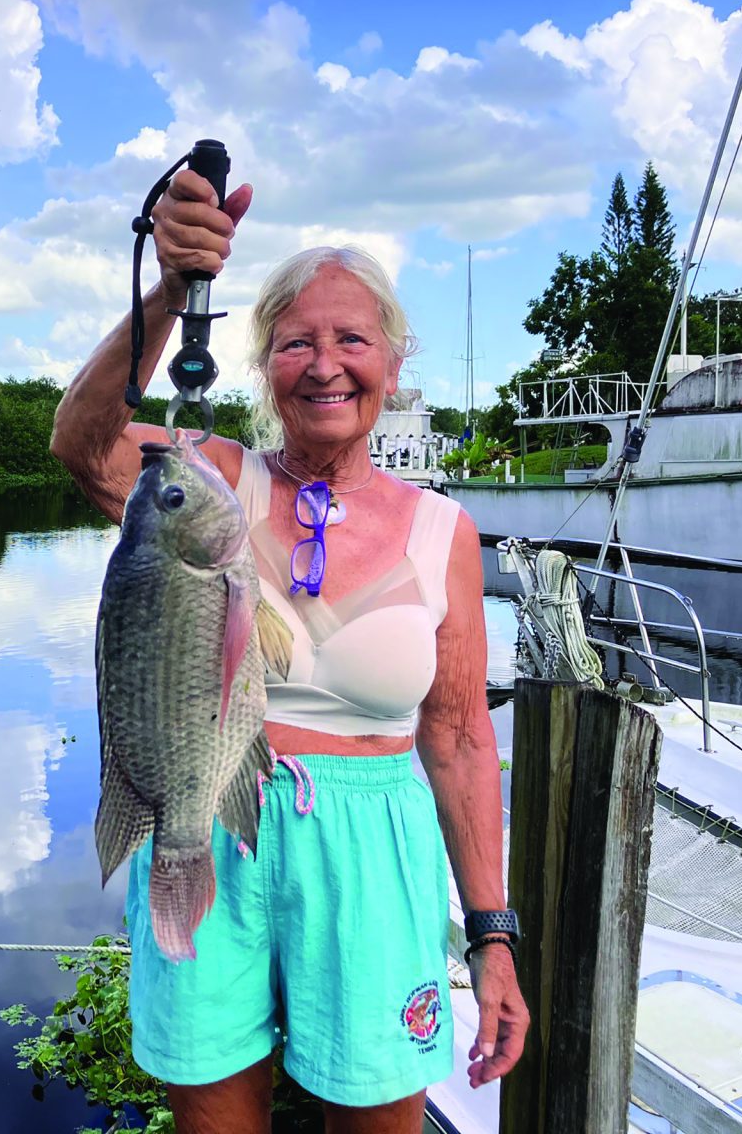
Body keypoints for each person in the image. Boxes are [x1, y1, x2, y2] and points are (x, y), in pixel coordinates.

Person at [51, 169, 527, 1134]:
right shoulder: (209, 480)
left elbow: (463, 739)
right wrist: (173, 291)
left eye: (352, 339)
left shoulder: (446, 532)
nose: (326, 365)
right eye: (297, 342)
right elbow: (83, 443)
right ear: (264, 363)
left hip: (373, 853)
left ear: (393, 361)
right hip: (211, 821)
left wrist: (491, 932)